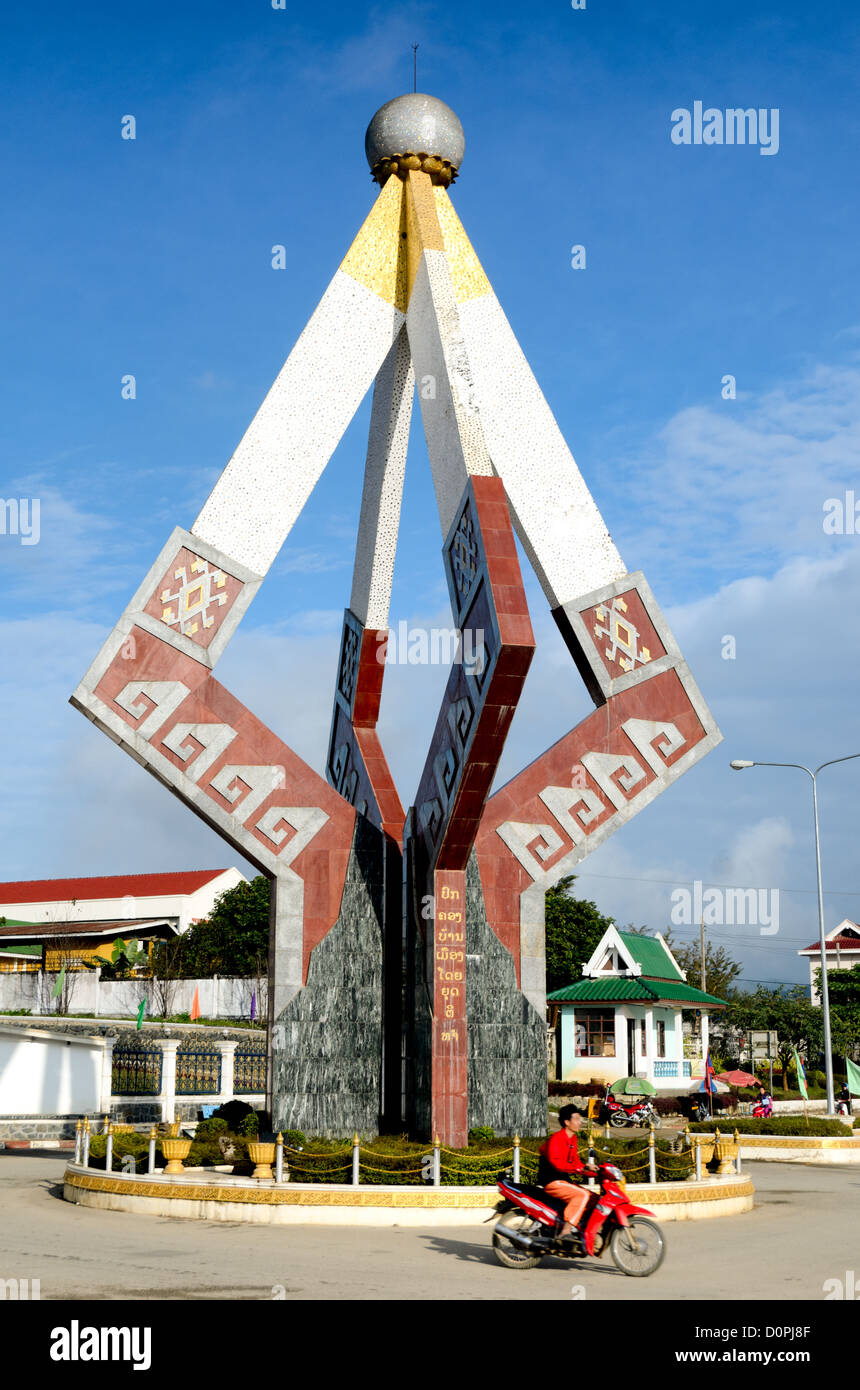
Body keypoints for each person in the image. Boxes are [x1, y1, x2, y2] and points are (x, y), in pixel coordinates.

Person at [538, 1104, 590, 1244]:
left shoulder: (572, 1139)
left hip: (563, 1180)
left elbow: (575, 1162)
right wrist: (579, 1169)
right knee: (582, 1195)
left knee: (591, 1197)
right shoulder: (556, 1139)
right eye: (577, 1119)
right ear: (567, 1122)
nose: (580, 1122)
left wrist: (589, 1168)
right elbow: (557, 1164)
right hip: (552, 1181)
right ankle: (565, 1232)